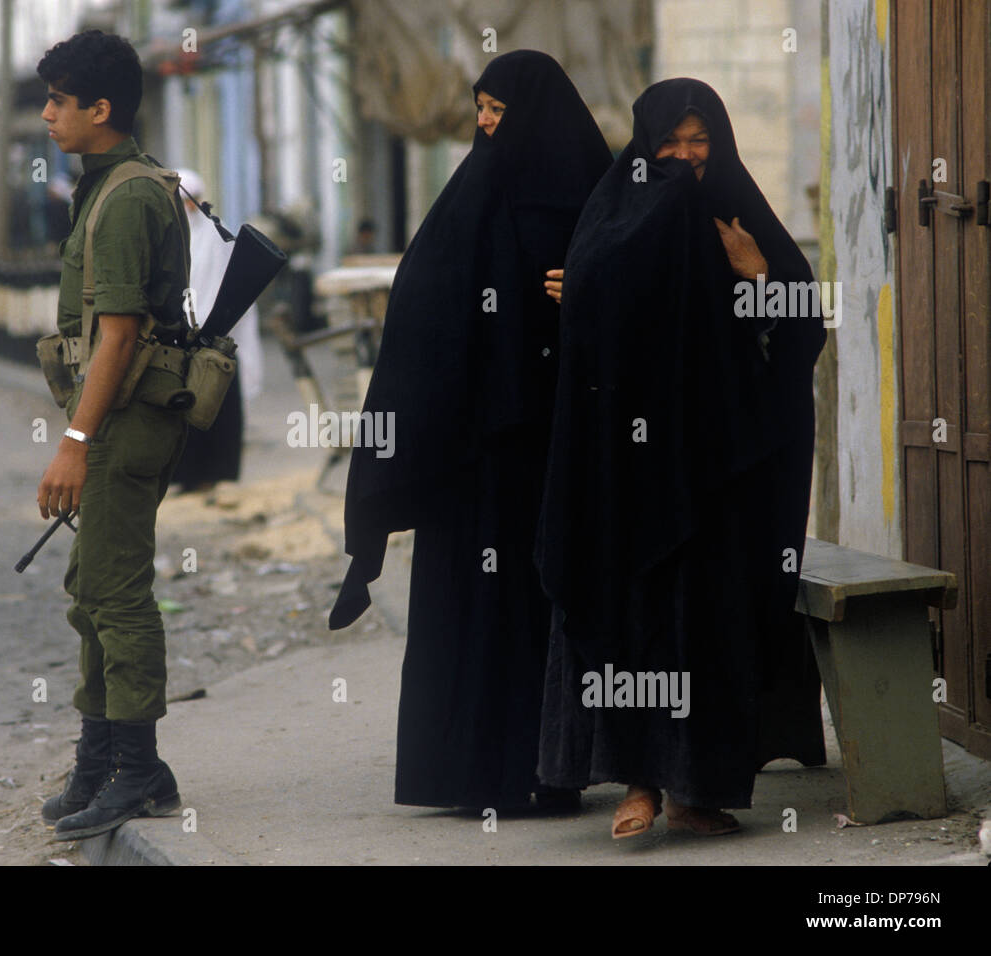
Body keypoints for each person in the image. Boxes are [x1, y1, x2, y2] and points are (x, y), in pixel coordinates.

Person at [534, 78, 826, 839]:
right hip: (626, 471)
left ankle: (699, 786)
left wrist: (761, 276)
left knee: (707, 623)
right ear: (645, 143)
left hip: (716, 468)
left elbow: (801, 331)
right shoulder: (610, 214)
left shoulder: (738, 214)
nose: (688, 156)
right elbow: (590, 342)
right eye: (674, 141)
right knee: (634, 618)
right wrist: (587, 299)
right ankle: (637, 784)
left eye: (702, 141)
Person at [328, 50, 612, 811]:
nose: (484, 124)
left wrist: (585, 294)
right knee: (477, 607)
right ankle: (470, 774)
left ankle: (551, 773)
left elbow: (636, 296)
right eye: (479, 109)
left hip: (557, 448)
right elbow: (424, 319)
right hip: (477, 454)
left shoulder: (598, 194)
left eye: (496, 111)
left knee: (540, 610)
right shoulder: (474, 197)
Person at [32, 29, 191, 841]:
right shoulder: (102, 186)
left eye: (60, 101)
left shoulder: (126, 195)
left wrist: (77, 440)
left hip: (124, 422)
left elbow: (120, 335)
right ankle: (102, 753)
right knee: (91, 585)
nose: (47, 115)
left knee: (117, 591)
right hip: (113, 420)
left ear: (102, 108)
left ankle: (141, 769)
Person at [168, 168, 264, 494]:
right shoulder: (171, 238)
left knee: (218, 404)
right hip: (183, 339)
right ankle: (187, 476)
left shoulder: (218, 236)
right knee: (185, 406)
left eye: (189, 201)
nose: (187, 208)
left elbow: (229, 287)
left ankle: (218, 473)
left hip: (218, 338)